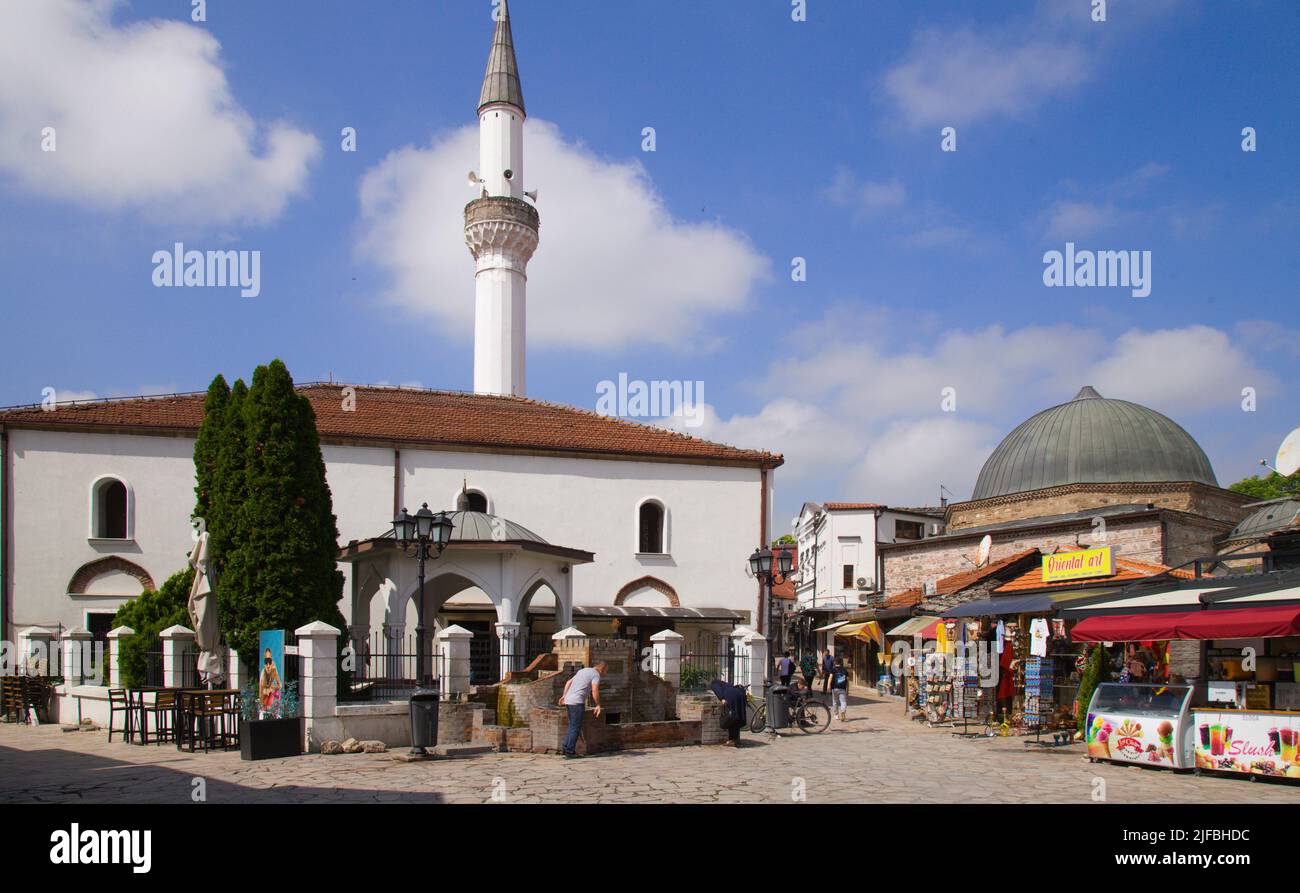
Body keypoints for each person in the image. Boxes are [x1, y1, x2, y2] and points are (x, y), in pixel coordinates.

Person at [558, 660, 605, 758]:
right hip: (577, 702)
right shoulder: (596, 674)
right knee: (575, 727)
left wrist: (564, 696)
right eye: (605, 670)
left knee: (572, 725)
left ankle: (566, 748)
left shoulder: (583, 671)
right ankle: (569, 752)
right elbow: (595, 690)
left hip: (569, 700)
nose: (605, 673)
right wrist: (598, 705)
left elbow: (568, 682)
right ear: (602, 668)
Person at [709, 678, 747, 747]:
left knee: (731, 718)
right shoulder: (725, 684)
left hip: (731, 697)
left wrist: (722, 698)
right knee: (737, 718)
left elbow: (718, 690)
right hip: (740, 695)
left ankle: (732, 740)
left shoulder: (714, 683)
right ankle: (736, 739)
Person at [830, 655, 850, 721]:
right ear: (841, 662)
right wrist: (847, 690)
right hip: (842, 688)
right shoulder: (845, 670)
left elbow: (830, 678)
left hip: (834, 688)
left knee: (835, 702)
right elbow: (847, 681)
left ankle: (836, 715)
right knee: (843, 702)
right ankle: (843, 712)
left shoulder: (833, 669)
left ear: (835, 662)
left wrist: (828, 686)